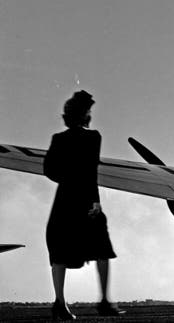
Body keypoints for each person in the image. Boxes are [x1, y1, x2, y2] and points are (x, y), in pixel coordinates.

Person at [43, 90, 121, 320]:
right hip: (86, 198)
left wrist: (66, 178)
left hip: (64, 199)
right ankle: (105, 301)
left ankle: (60, 303)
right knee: (102, 250)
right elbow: (90, 171)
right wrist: (95, 200)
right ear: (85, 115)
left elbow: (49, 170)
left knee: (59, 251)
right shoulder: (93, 137)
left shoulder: (58, 139)